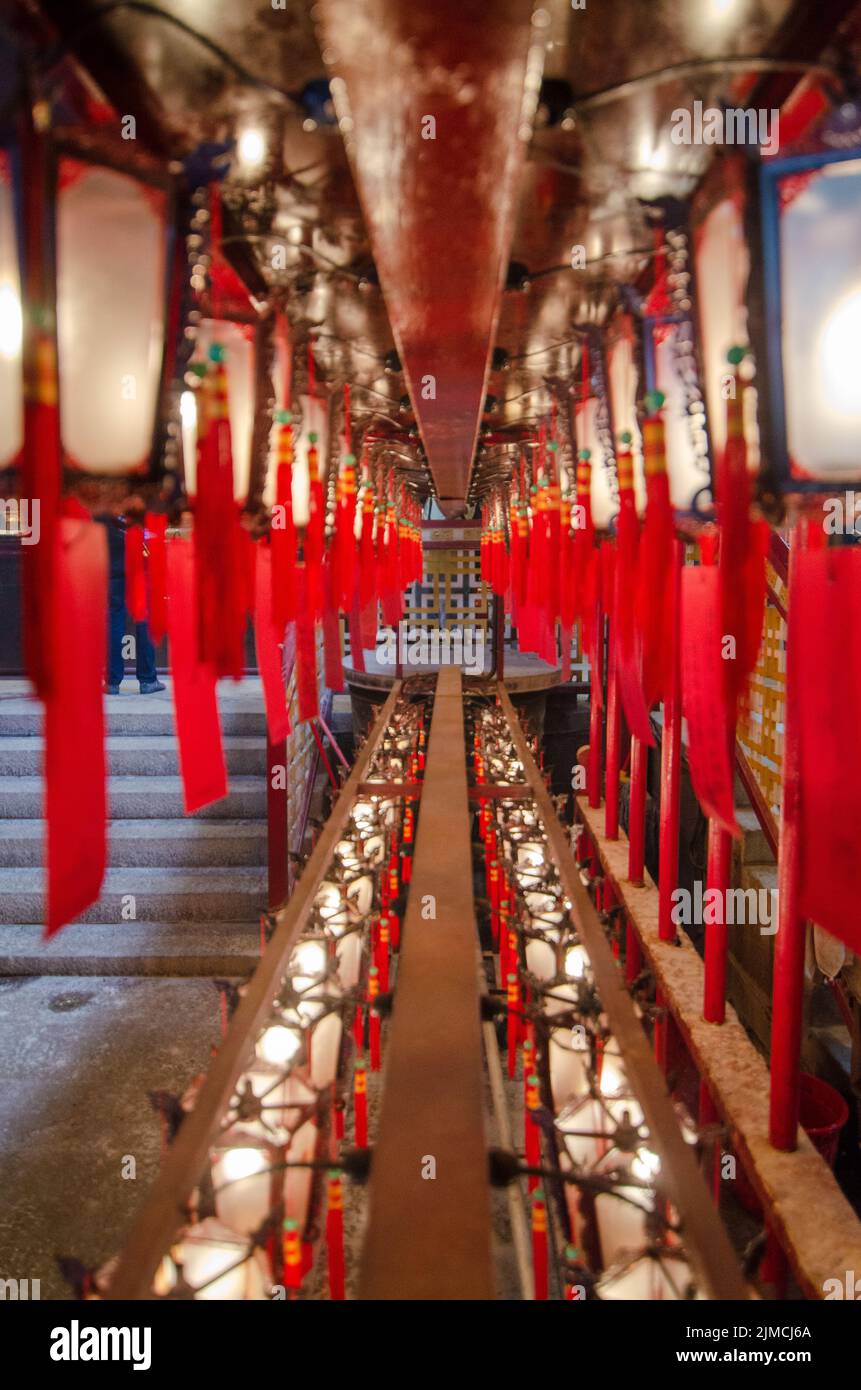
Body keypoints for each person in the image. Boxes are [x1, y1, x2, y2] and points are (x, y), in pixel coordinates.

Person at [103, 517, 165, 696]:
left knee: (114, 617)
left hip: (114, 562)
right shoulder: (141, 497)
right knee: (144, 617)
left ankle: (112, 682)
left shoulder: (108, 502)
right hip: (141, 563)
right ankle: (148, 680)